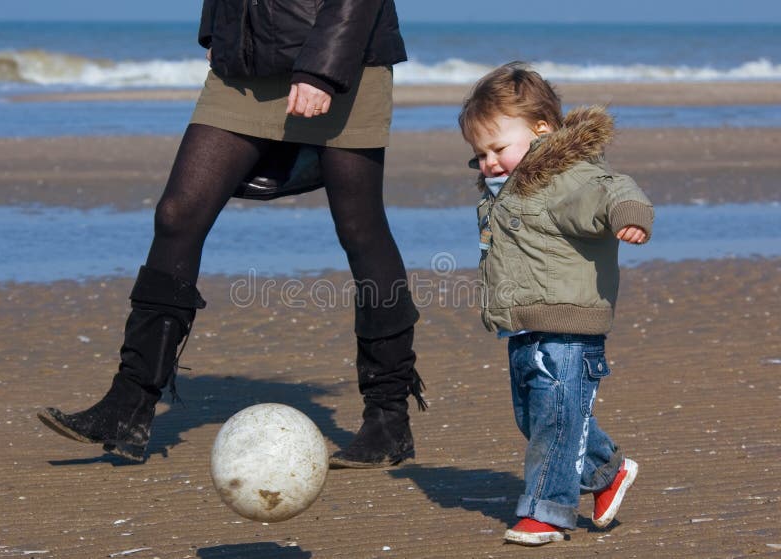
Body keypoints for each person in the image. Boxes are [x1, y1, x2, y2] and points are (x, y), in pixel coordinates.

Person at [38, 0, 426, 469]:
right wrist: (217, 30)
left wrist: (323, 71)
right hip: (245, 60)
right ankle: (129, 404)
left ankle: (388, 420)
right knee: (177, 214)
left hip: (342, 58)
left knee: (361, 230)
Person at [458, 62, 653, 546]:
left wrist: (628, 216)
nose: (489, 162)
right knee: (536, 417)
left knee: (556, 420)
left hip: (569, 327)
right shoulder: (507, 193)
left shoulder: (566, 176)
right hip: (524, 325)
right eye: (480, 154)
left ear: (541, 130)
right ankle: (607, 473)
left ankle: (548, 512)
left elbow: (610, 190)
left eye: (498, 148)